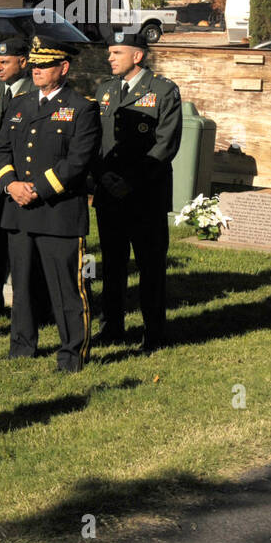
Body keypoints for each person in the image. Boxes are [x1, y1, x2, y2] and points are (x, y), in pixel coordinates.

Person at [0, 38, 101, 372]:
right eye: (34, 65)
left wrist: (35, 189)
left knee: (66, 288)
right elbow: (0, 150)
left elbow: (78, 162)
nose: (36, 71)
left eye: (44, 66)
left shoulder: (82, 108)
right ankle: (22, 346)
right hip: (20, 211)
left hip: (58, 213)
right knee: (22, 286)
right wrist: (11, 185)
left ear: (63, 68)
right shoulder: (20, 104)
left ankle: (72, 353)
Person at [93, 31, 183, 352]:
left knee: (150, 267)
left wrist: (130, 181)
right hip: (109, 196)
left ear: (138, 56)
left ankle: (154, 333)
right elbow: (96, 144)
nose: (110, 58)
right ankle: (112, 328)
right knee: (113, 266)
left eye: (117, 52)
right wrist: (102, 178)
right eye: (110, 53)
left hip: (146, 196)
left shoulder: (163, 91)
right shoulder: (105, 91)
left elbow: (166, 144)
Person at [0, 38, 35, 317]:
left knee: (22, 242)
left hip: (22, 178)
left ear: (23, 62)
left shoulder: (35, 92)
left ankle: (29, 302)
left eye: (5, 62)